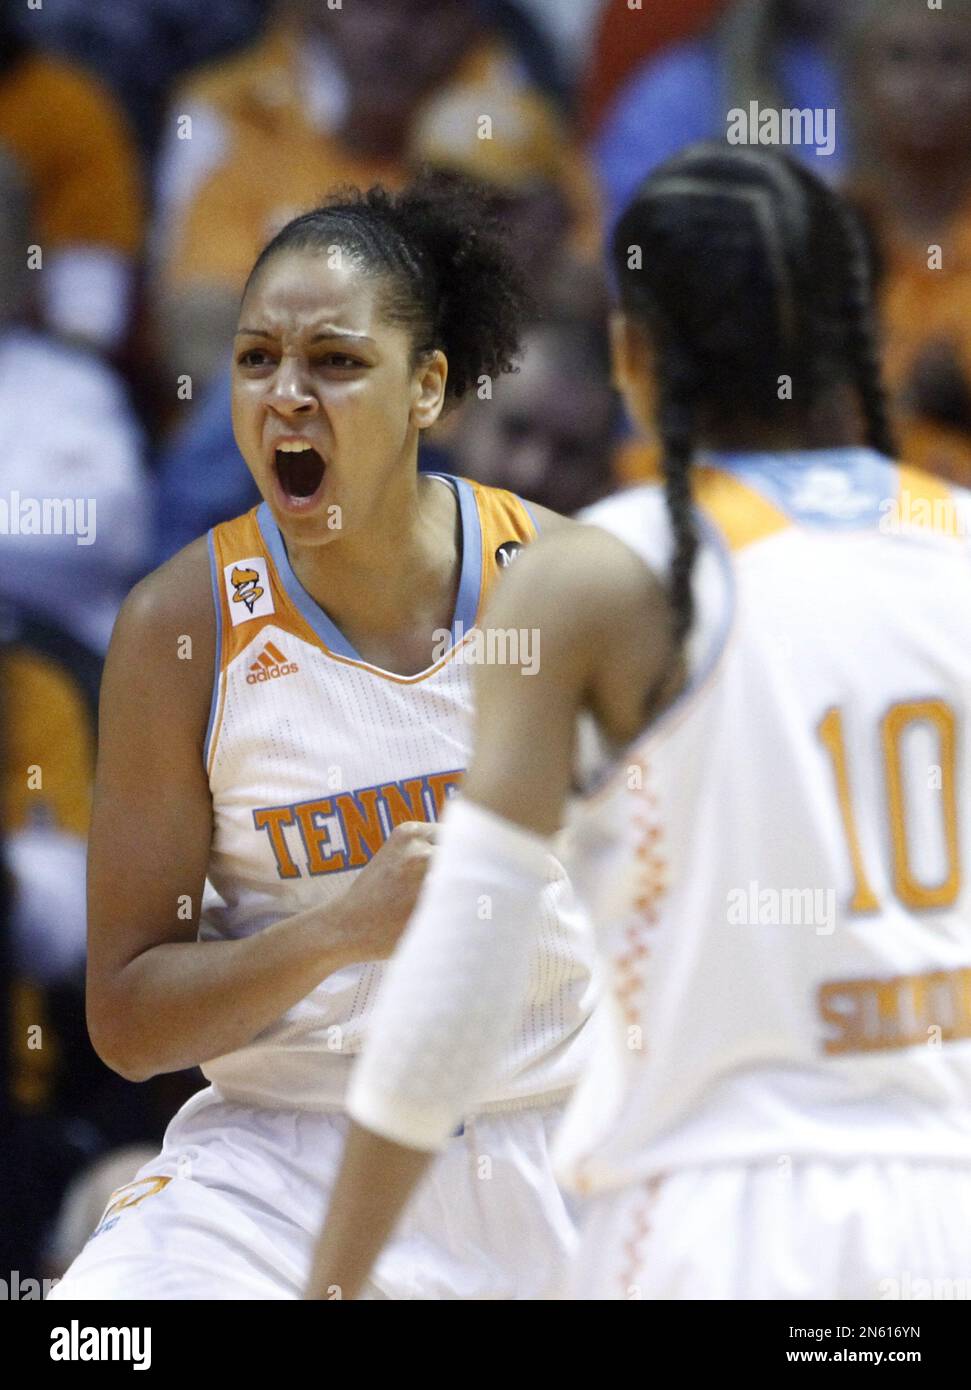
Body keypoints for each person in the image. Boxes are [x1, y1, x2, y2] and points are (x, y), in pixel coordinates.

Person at [307, 145, 971, 1301]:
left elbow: (459, 979)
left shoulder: (602, 576)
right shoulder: (956, 535)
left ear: (630, 353)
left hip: (719, 1228)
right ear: (853, 335)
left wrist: (329, 1284)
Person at [48, 173, 595, 1302]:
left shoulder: (561, 580)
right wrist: (340, 930)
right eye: (256, 359)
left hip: (563, 1147)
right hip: (287, 1157)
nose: (285, 395)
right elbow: (127, 1023)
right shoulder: (181, 626)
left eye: (335, 362)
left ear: (426, 387)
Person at [841, 0, 971, 488]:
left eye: (952, 58)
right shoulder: (823, 227)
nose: (926, 82)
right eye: (900, 57)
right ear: (858, 82)